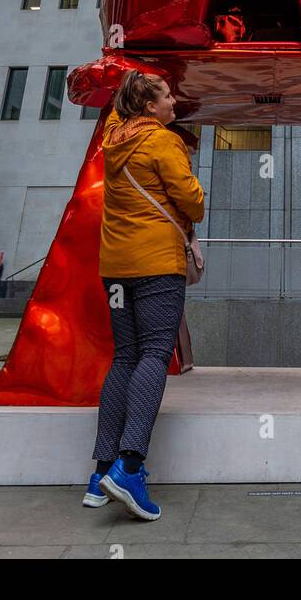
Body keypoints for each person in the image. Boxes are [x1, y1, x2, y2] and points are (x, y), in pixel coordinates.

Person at [82, 70, 204, 520]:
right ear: (150, 107)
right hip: (156, 264)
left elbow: (119, 105)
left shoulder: (113, 137)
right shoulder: (164, 141)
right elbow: (193, 202)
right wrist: (196, 195)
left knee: (124, 356)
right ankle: (130, 466)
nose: (174, 101)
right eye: (167, 95)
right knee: (154, 354)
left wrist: (134, 78)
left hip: (115, 268)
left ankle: (99, 473)